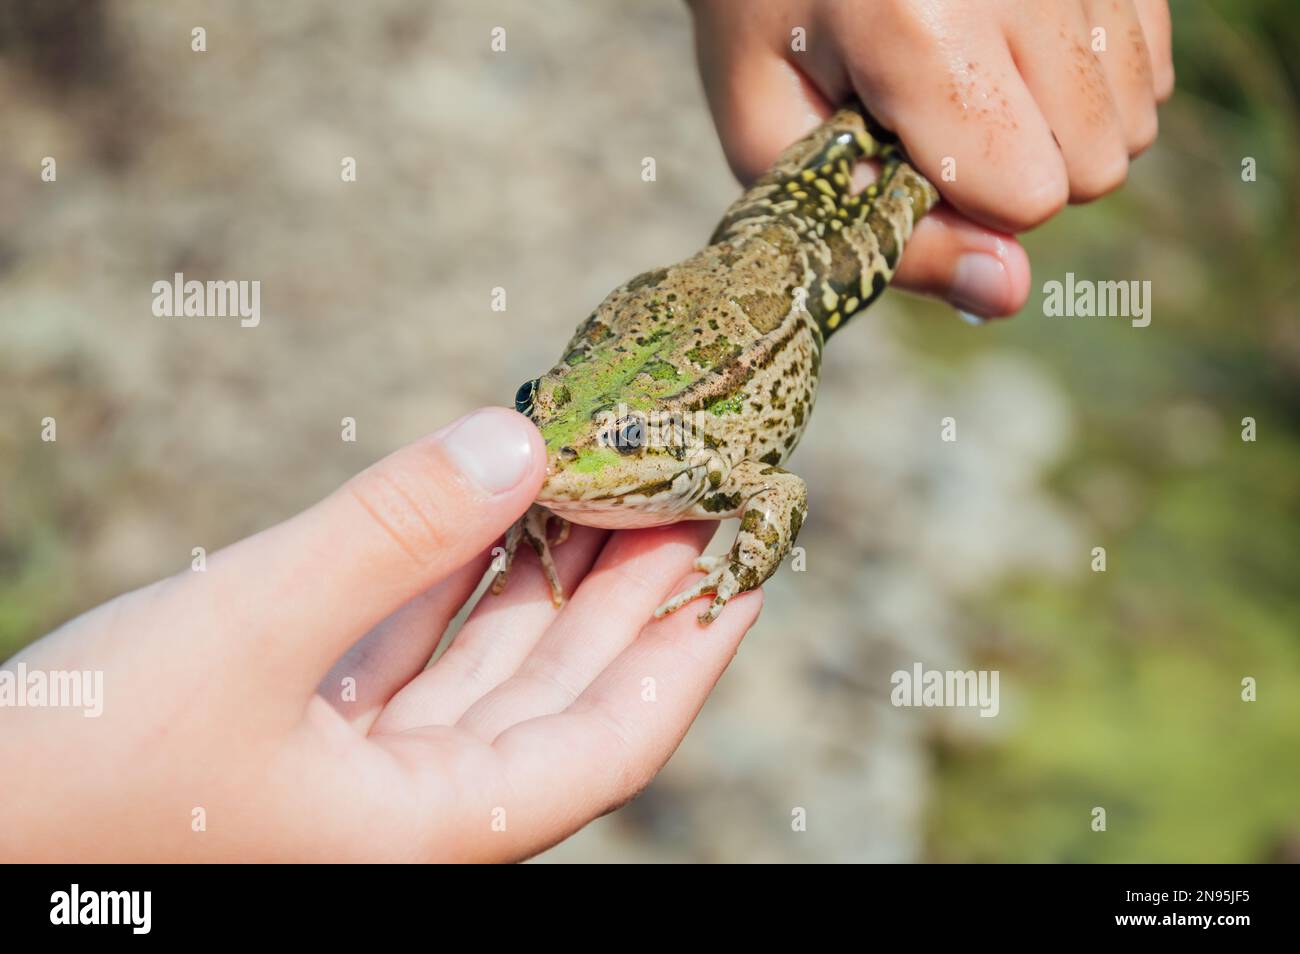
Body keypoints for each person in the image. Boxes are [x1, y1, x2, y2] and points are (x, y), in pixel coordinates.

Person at [0, 0, 1172, 861]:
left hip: (771, 273)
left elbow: (775, 497)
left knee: (940, 162)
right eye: (537, 421)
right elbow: (768, 492)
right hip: (721, 277)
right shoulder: (569, 442)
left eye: (580, 441)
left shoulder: (695, 451)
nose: (547, 455)